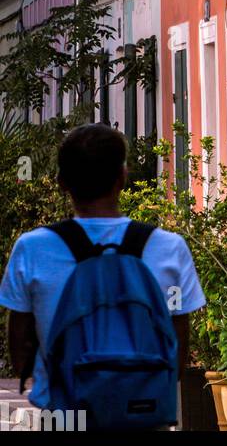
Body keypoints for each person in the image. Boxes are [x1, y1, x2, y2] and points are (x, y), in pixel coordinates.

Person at [0, 123, 205, 424]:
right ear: (122, 178)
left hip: (66, 416)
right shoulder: (169, 248)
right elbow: (177, 346)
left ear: (61, 181)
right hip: (143, 414)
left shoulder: (32, 249)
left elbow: (20, 351)